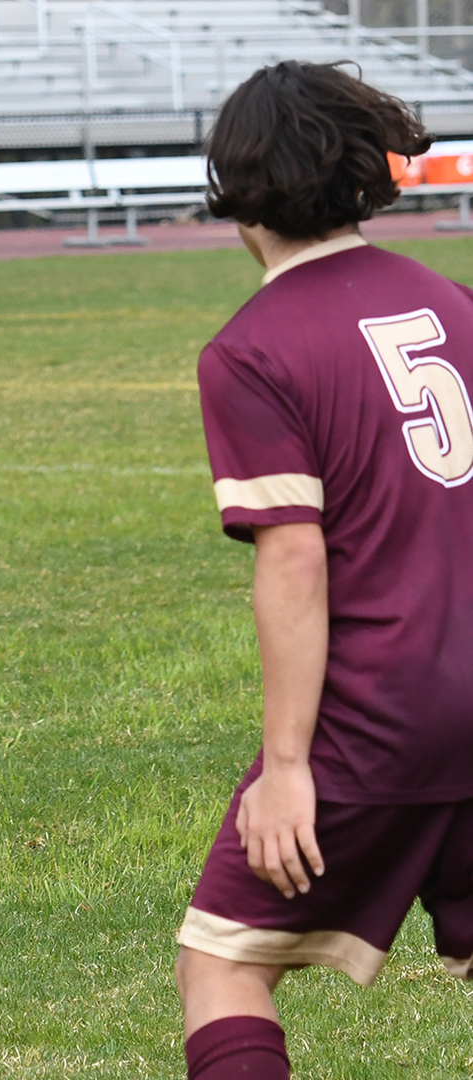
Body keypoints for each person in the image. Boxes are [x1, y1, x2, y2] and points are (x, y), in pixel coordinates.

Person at [174, 62, 467, 1080]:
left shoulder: (251, 350)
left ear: (233, 184)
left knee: (219, 962)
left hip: (382, 716)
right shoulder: (454, 302)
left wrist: (286, 768)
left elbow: (294, 560)